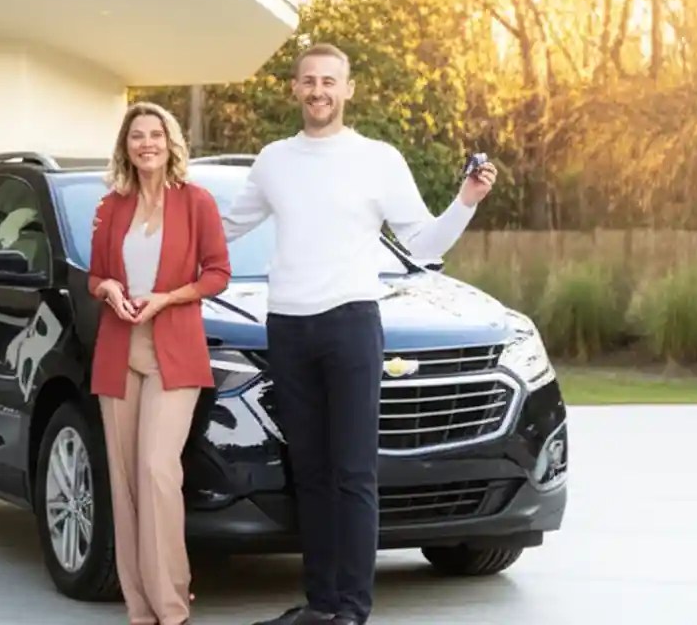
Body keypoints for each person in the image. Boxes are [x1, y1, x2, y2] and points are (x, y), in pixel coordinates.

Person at [222, 43, 497, 625]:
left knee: (352, 472)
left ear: (347, 91)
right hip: (288, 328)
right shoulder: (273, 160)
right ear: (294, 89)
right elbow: (225, 226)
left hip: (350, 325)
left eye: (329, 81)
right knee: (311, 472)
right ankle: (321, 604)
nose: (319, 90)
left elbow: (420, 244)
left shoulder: (377, 159)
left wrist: (466, 202)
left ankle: (351, 608)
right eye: (309, 81)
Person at [88, 101, 232, 625]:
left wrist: (167, 298)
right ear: (125, 147)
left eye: (155, 134)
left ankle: (172, 606)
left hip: (173, 347)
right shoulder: (111, 205)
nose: (146, 143)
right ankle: (140, 609)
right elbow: (95, 276)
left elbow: (218, 272)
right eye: (136, 136)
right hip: (118, 348)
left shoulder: (196, 201)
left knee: (156, 470)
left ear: (170, 143)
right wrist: (107, 287)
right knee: (125, 482)